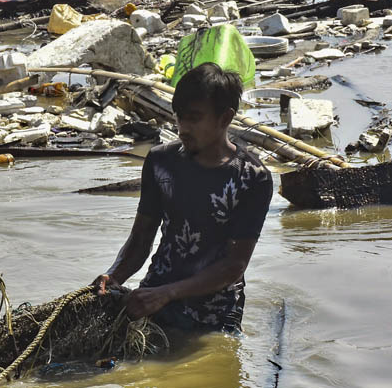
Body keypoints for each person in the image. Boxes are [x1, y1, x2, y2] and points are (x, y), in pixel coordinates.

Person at [94, 62, 272, 336]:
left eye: (194, 118)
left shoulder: (252, 177)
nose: (182, 128)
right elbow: (141, 240)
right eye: (179, 117)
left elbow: (234, 266)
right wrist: (114, 276)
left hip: (216, 311)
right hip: (157, 293)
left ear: (225, 118)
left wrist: (168, 293)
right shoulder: (160, 162)